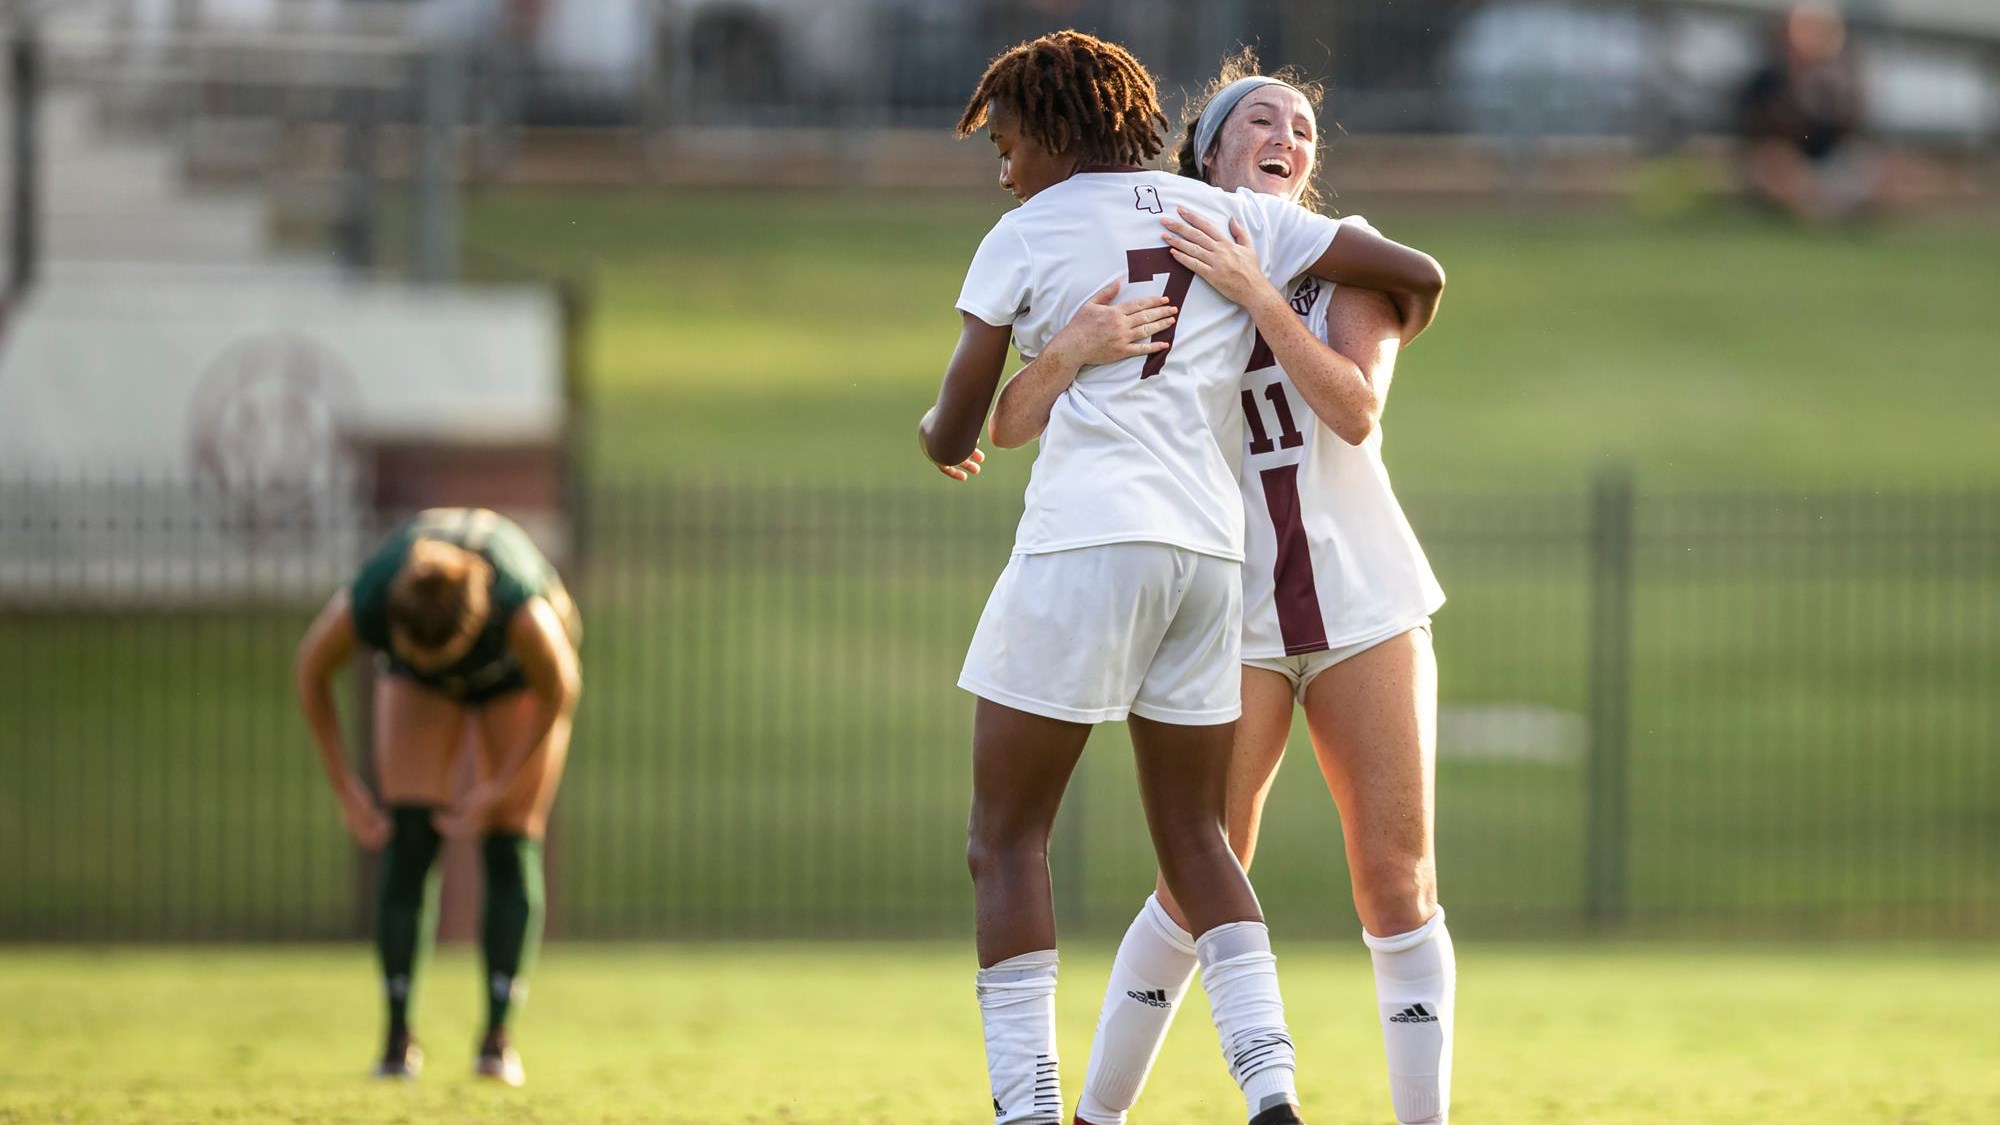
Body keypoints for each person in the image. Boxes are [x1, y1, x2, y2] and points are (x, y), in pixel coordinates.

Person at [918, 30, 1444, 1125]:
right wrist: (1067, 352)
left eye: (1302, 127)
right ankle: (1224, 1098)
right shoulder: (1203, 216)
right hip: (1217, 571)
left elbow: (1359, 390)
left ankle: (1042, 1110)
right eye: (1259, 118)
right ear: (1199, 148)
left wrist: (1254, 290)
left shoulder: (1239, 235)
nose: (1287, 135)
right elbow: (1010, 419)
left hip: (1233, 571)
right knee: (1200, 849)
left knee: (1012, 839)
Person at [293, 506, 582, 1086]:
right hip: (421, 685)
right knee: (410, 836)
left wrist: (501, 784)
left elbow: (562, 687)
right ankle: (397, 1037)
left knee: (510, 834)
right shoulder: (374, 600)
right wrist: (345, 786)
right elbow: (310, 671)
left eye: (438, 657)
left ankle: (498, 1039)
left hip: (517, 678)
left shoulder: (521, 614)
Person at [1736, 3, 1880, 223]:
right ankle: (1820, 214)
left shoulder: (1842, 76)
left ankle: (1827, 210)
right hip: (1786, 161)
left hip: (1833, 161)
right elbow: (1757, 129)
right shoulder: (1770, 77)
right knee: (1776, 163)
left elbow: (1854, 127)